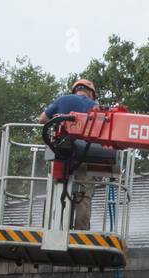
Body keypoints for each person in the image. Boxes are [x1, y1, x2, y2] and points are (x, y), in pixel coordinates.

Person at [37, 79, 99, 229]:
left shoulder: (63, 100)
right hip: (86, 156)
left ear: (75, 90)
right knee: (84, 195)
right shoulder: (96, 107)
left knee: (56, 190)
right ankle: (81, 232)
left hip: (60, 155)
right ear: (91, 93)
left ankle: (54, 227)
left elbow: (42, 119)